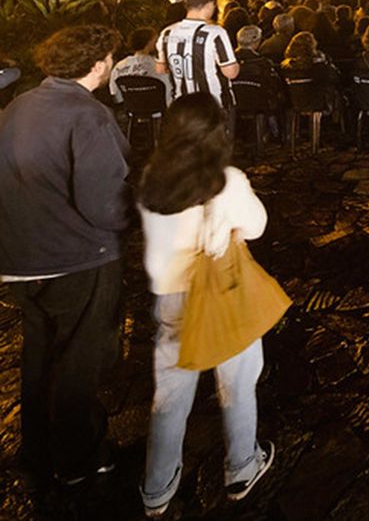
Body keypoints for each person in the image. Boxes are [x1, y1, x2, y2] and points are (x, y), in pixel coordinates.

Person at [0, 25, 130, 485]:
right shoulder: (88, 115)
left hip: (21, 256)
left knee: (39, 356)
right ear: (97, 64)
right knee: (78, 360)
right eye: (109, 58)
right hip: (76, 256)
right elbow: (104, 203)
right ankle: (78, 459)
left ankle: (37, 449)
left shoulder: (20, 105)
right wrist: (138, 214)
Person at [137, 93, 274, 517]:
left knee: (170, 395)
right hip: (220, 294)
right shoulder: (225, 181)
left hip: (170, 297)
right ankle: (242, 465)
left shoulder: (151, 177)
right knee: (237, 382)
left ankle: (157, 486)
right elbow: (257, 225)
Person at [157, 0, 240, 106]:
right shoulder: (215, 33)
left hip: (181, 102)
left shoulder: (167, 32)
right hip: (213, 104)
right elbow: (231, 72)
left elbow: (160, 69)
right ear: (209, 4)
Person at [110, 26, 174, 105]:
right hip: (158, 109)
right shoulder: (161, 67)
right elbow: (169, 94)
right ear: (149, 43)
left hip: (131, 111)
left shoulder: (119, 67)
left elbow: (116, 97)